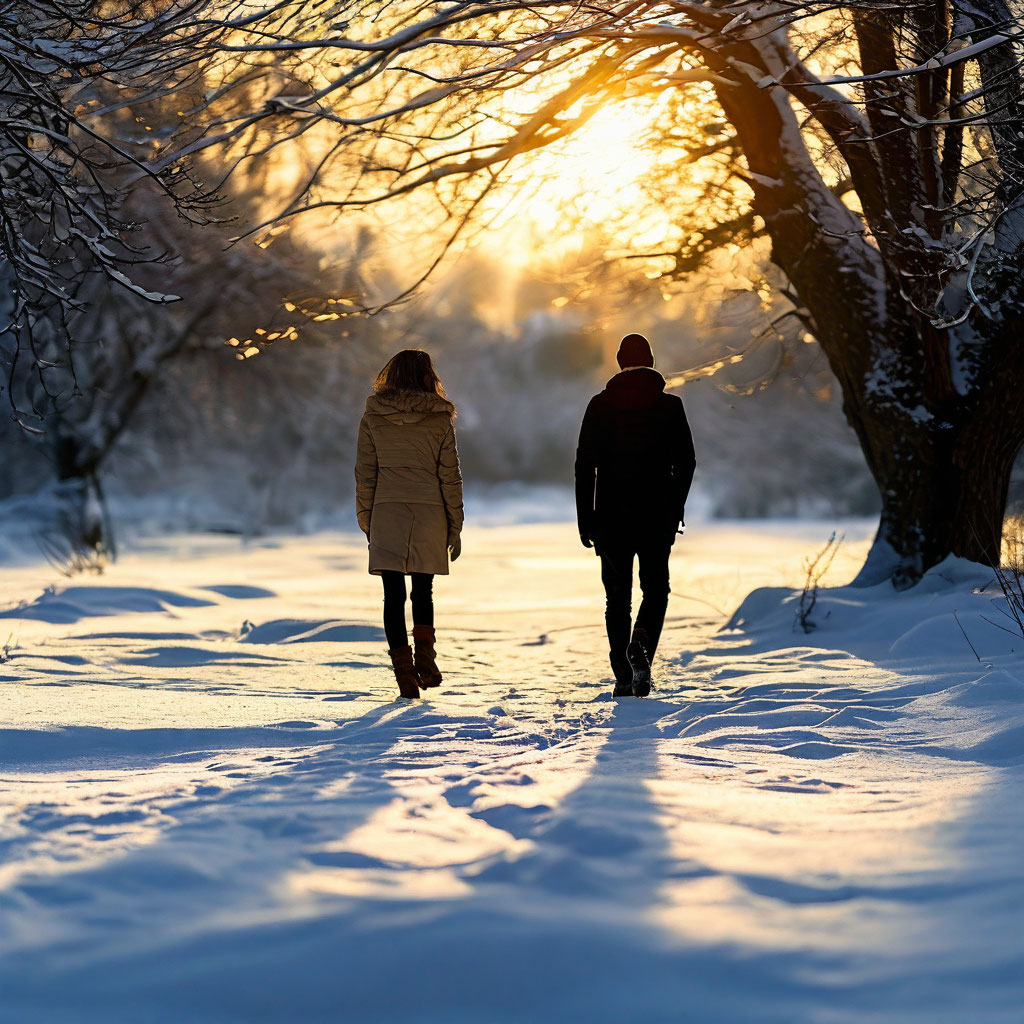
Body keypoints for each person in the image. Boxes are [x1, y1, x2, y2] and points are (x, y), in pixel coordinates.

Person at [575, 334, 696, 697]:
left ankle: (624, 677)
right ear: (652, 361)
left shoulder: (599, 405)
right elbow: (686, 462)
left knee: (617, 598)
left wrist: (586, 519)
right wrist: (675, 507)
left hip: (610, 515)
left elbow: (585, 466)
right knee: (656, 589)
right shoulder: (670, 406)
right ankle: (641, 641)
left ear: (618, 362)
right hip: (657, 514)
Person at [355, 349, 463, 699]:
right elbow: (450, 476)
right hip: (430, 512)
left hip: (387, 511)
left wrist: (366, 517)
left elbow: (365, 473)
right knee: (423, 591)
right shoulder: (440, 419)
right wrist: (455, 524)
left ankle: (404, 674)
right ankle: (425, 656)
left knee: (392, 595)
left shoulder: (373, 416)